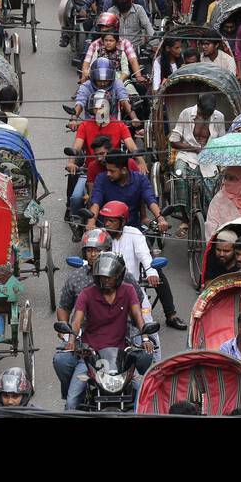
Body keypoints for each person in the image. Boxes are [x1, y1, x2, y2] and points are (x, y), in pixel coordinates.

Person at [55, 252, 154, 410]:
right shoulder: (86, 294)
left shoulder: (128, 291)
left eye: (109, 277)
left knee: (145, 396)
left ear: (118, 276)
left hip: (121, 357)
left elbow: (138, 315)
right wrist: (71, 342)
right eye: (102, 277)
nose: (105, 280)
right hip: (90, 358)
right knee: (72, 402)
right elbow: (77, 321)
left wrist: (146, 338)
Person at [98, 199, 187, 330]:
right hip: (104, 287)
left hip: (132, 288)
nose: (107, 224)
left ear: (122, 221)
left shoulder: (134, 233)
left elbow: (144, 255)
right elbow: (92, 256)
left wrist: (151, 272)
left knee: (147, 321)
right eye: (105, 220)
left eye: (112, 221)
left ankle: (153, 345)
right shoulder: (101, 234)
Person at [89, 150, 168, 234]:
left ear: (124, 170)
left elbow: (150, 200)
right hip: (106, 229)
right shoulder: (101, 179)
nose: (108, 174)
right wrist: (91, 222)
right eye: (107, 170)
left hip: (132, 229)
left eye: (112, 171)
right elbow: (95, 202)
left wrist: (160, 219)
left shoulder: (140, 179)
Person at [169, 91, 226, 206]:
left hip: (209, 158)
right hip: (187, 156)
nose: (205, 117)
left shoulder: (219, 117)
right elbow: (173, 140)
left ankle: (207, 217)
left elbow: (222, 142)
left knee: (213, 189)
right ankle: (184, 217)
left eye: (208, 115)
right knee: (179, 177)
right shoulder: (186, 113)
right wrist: (194, 149)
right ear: (198, 106)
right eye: (203, 114)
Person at [204, 165, 241, 241]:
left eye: (232, 179)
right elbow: (211, 226)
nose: (227, 182)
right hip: (225, 243)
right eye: (226, 178)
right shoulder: (219, 199)